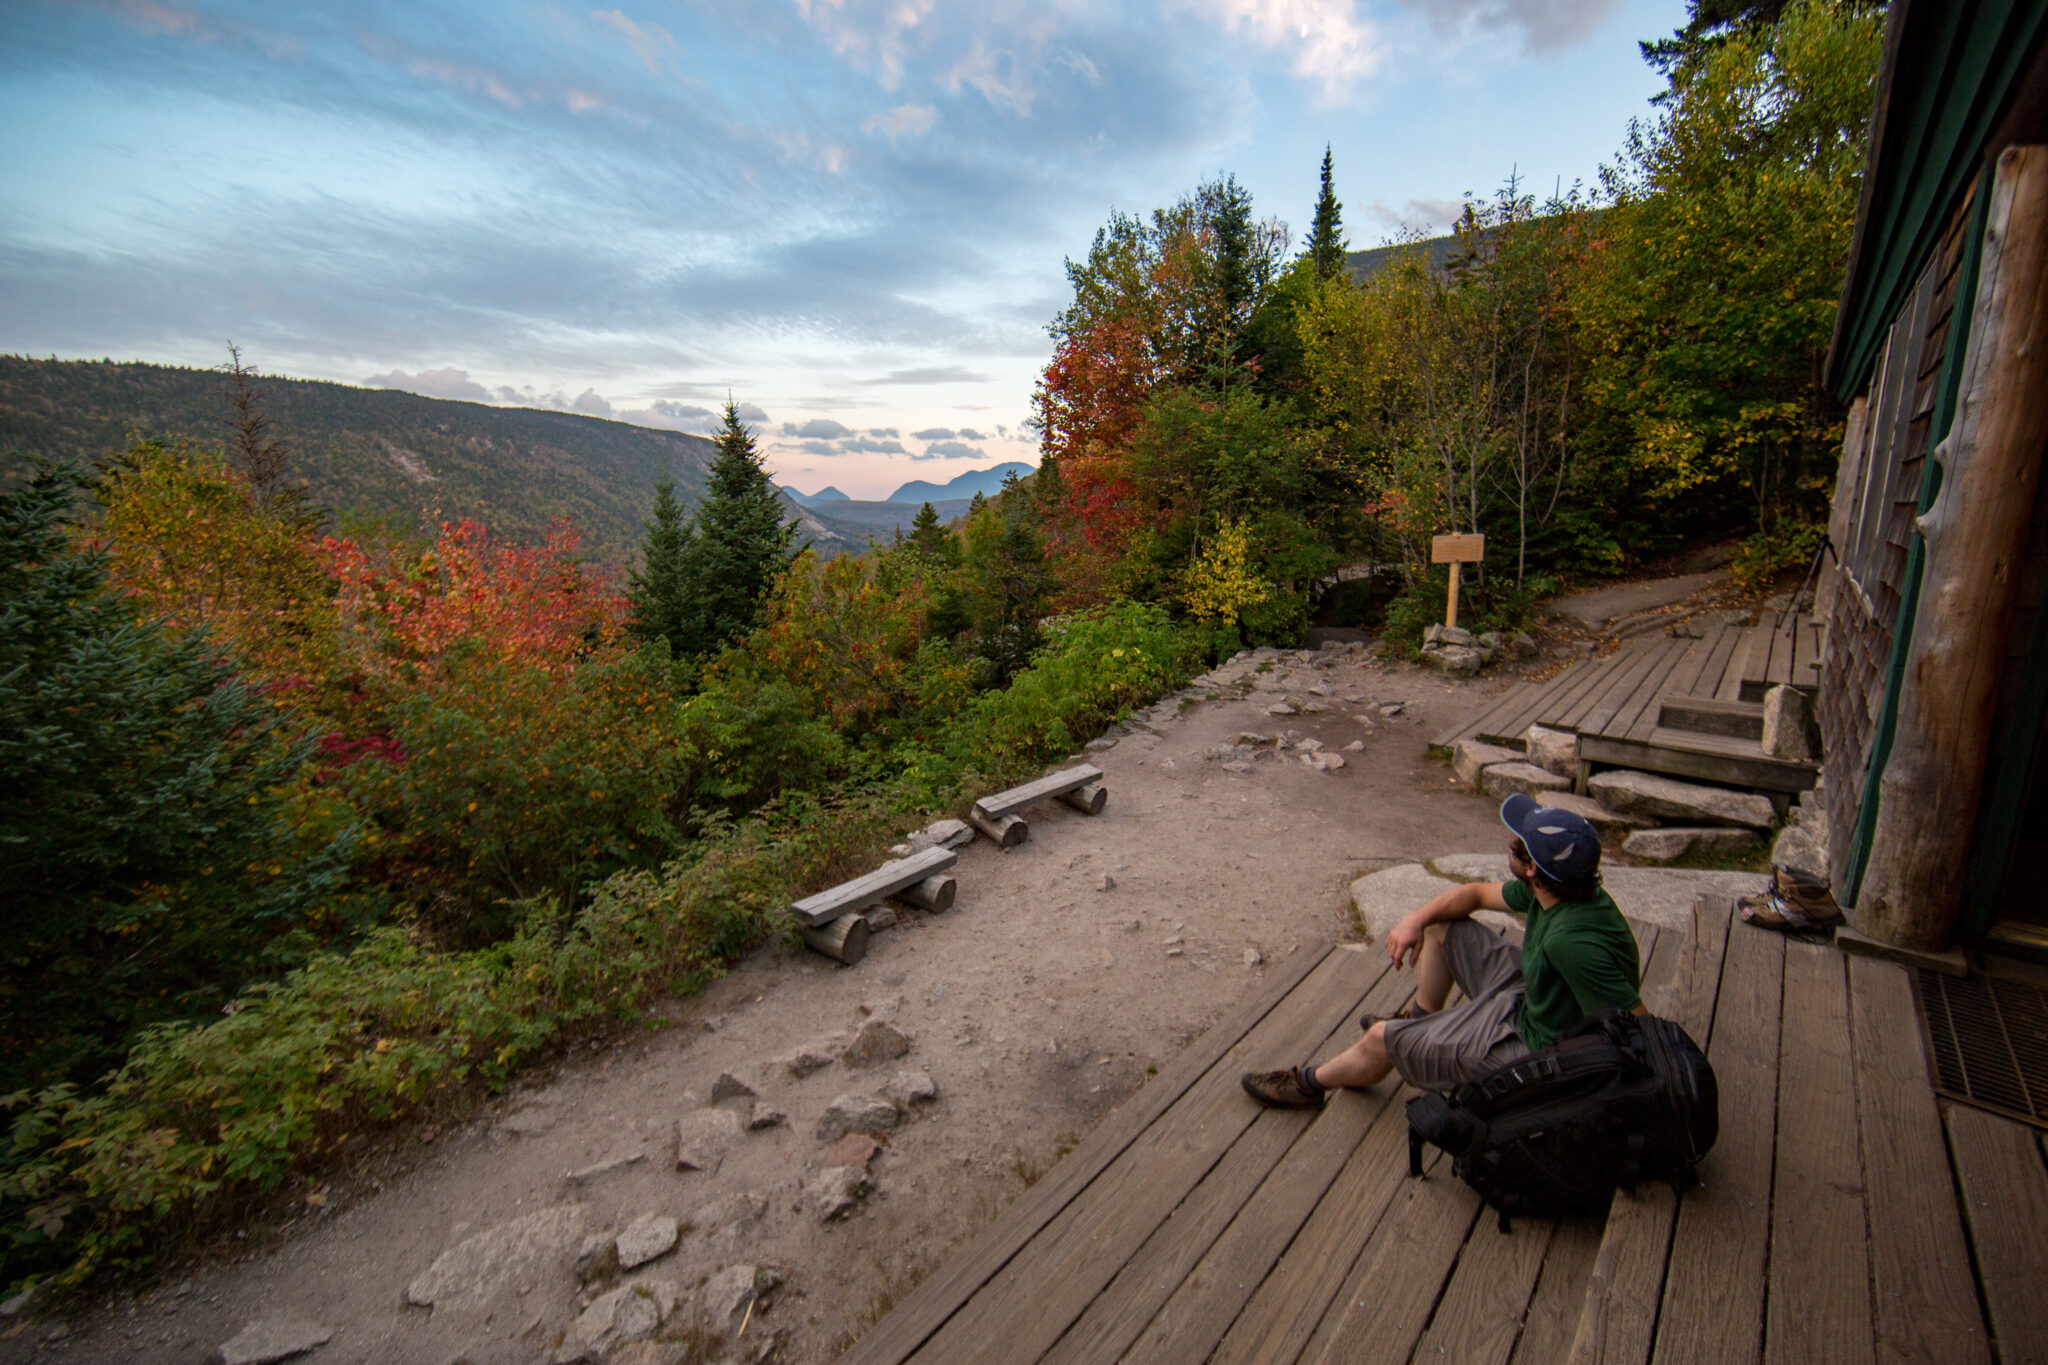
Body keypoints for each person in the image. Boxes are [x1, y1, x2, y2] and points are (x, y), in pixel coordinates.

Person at [1241, 794, 1643, 1108]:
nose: (1509, 844)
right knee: (1441, 922)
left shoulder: (1570, 944)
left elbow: (1638, 1027)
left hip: (1536, 1050)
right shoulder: (1561, 892)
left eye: (1519, 844)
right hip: (1536, 998)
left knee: (1381, 1039)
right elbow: (1474, 895)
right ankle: (1420, 1021)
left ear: (1534, 869)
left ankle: (1307, 1085)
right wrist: (1415, 919)